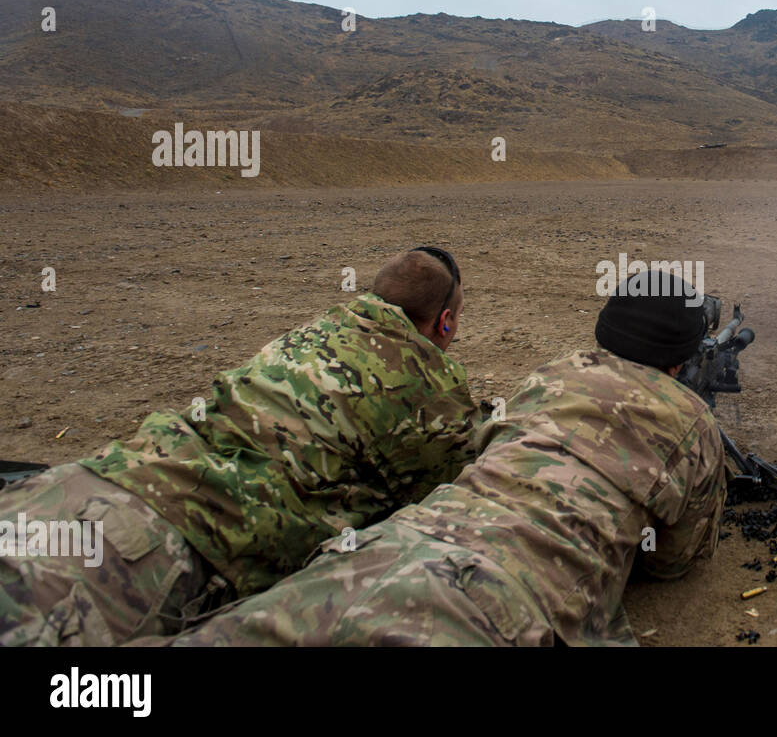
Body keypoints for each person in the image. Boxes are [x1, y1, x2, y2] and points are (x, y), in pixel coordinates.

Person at [167, 270, 725, 646]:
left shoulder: (551, 376)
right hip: (503, 603)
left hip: (379, 552)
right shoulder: (692, 422)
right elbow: (673, 561)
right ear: (681, 360)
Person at [0, 246, 479, 646]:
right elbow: (459, 492)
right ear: (445, 323)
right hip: (155, 552)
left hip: (85, 482)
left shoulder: (321, 327)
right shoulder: (430, 384)